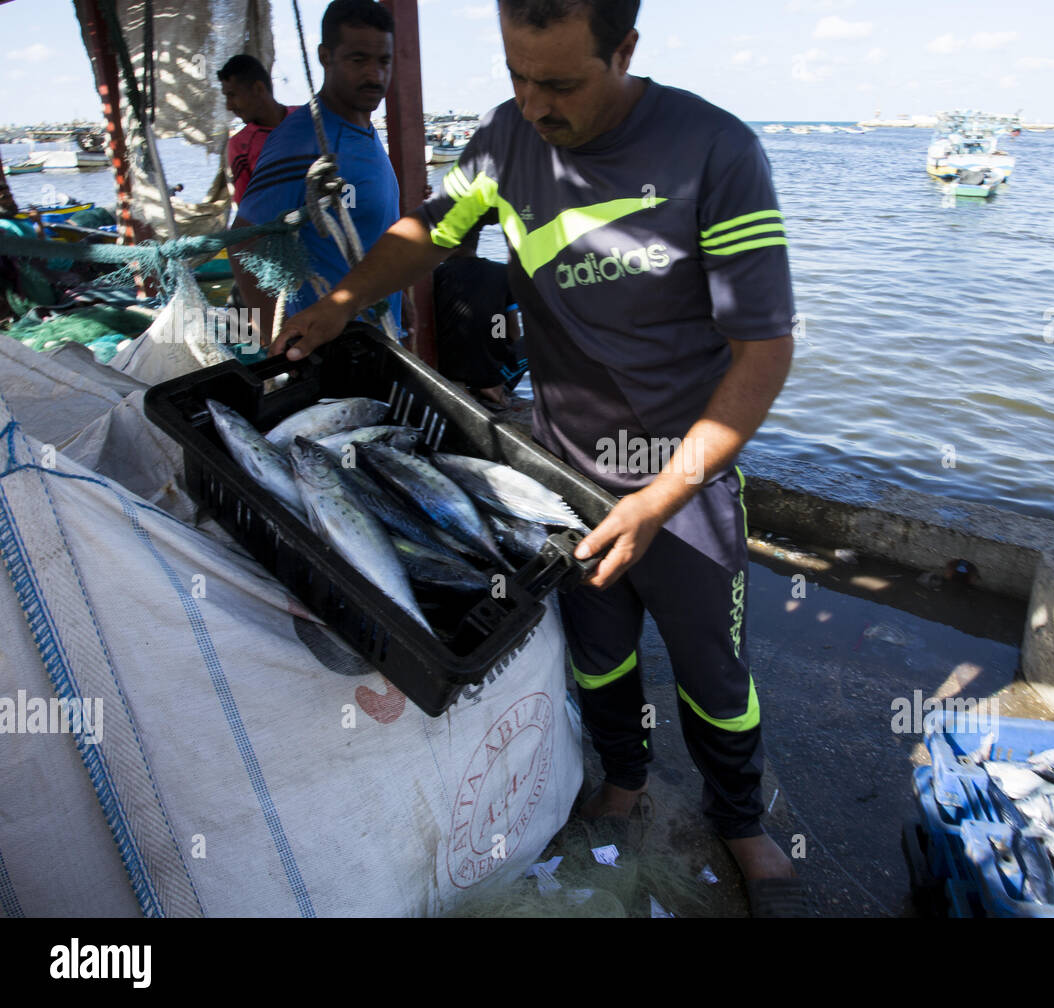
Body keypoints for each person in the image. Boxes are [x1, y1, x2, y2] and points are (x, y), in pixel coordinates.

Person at [272, 0, 801, 915]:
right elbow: (426, 234)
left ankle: (741, 815)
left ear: (625, 49)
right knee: (597, 654)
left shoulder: (716, 149)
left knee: (712, 670)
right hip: (560, 472)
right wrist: (344, 300)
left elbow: (766, 350)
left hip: (686, 481)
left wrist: (666, 493)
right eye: (517, 75)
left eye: (559, 82)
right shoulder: (506, 140)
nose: (534, 102)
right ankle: (623, 779)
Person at [231, 0, 400, 345]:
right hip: (329, 352)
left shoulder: (363, 128)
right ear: (325, 57)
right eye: (358, 60)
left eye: (383, 61)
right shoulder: (303, 140)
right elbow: (243, 240)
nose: (375, 75)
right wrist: (278, 342)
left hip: (377, 339)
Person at [433, 219, 527, 408]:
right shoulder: (502, 273)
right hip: (488, 369)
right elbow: (514, 333)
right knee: (532, 341)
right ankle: (494, 385)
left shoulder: (438, 274)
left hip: (449, 368)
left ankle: (472, 383)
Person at [218, 54, 296, 206]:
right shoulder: (239, 145)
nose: (229, 106)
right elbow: (247, 208)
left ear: (258, 89)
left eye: (232, 95)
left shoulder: (310, 120)